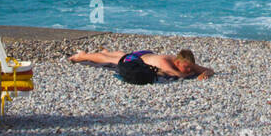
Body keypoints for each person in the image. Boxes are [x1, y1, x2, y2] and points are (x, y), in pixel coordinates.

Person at [69, 48, 213, 82]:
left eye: (189, 67)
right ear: (177, 62)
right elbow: (176, 74)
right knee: (106, 59)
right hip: (135, 60)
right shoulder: (166, 62)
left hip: (146, 54)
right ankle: (82, 55)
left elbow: (208, 70)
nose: (189, 69)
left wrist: (203, 72)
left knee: (117, 54)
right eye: (186, 67)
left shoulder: (185, 62)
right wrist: (193, 75)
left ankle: (108, 51)